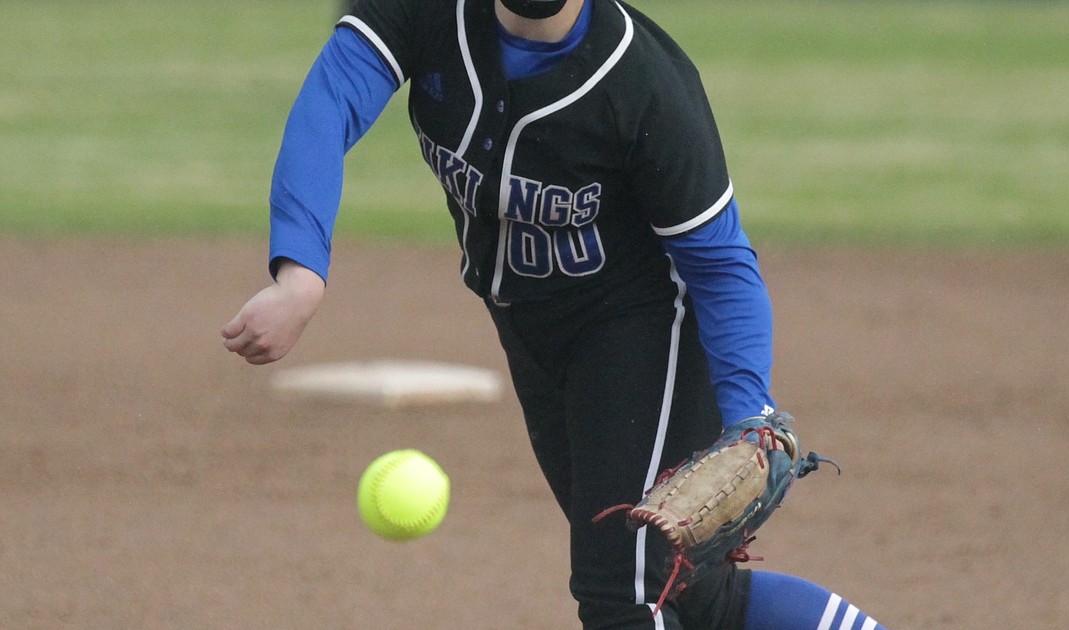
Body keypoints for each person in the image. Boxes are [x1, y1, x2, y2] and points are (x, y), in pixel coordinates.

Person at [221, 0, 887, 628]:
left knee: (623, 594)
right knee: (684, 585)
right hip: (533, 334)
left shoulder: (642, 81)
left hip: (645, 333)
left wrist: (749, 418)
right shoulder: (429, 13)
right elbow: (329, 101)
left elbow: (719, 262)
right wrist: (300, 273)